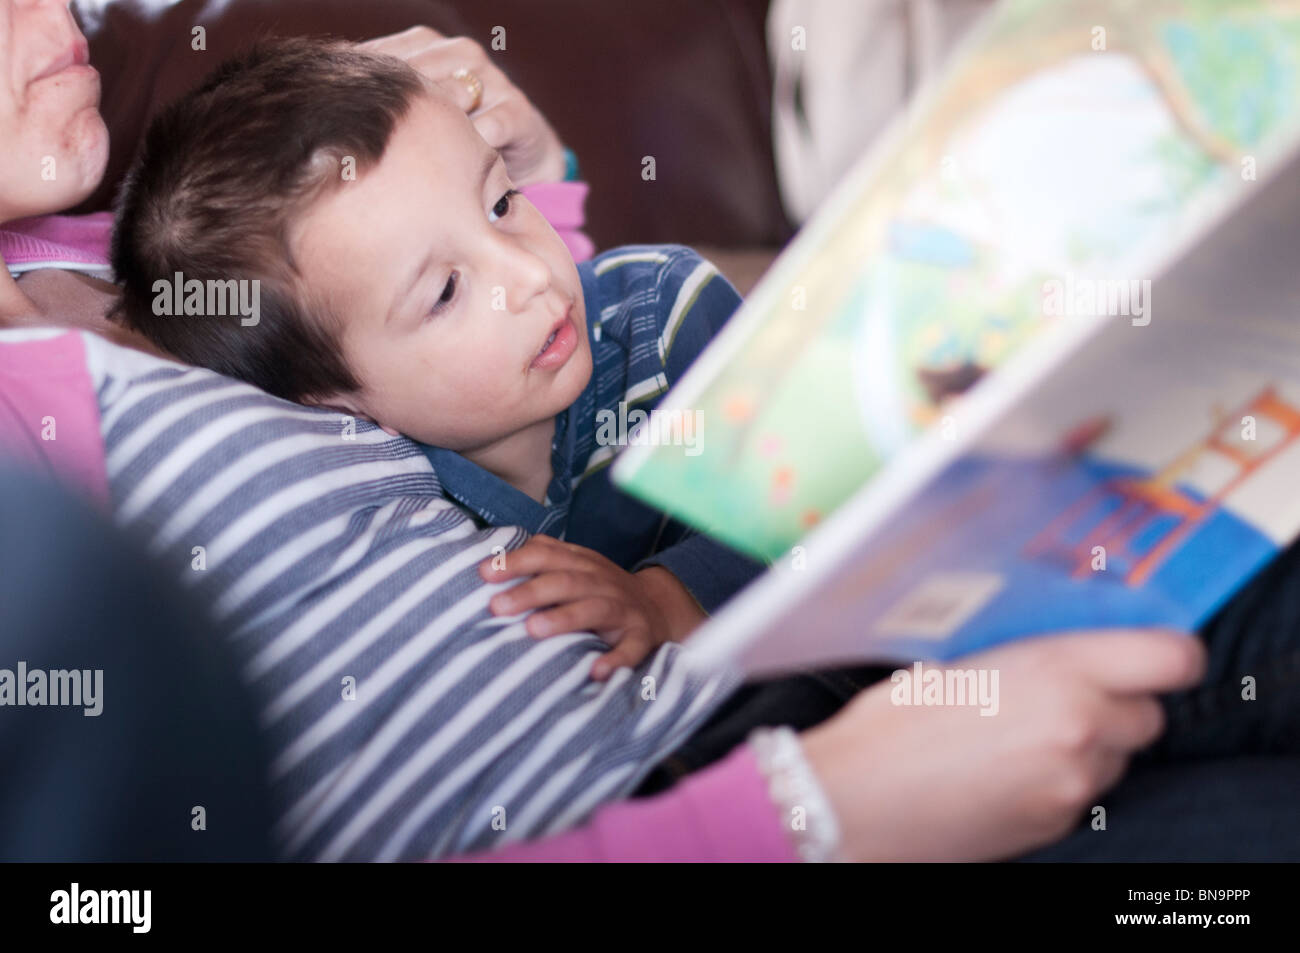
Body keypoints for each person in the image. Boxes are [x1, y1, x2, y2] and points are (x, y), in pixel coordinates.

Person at [0, 1, 1290, 863]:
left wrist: (519, 189)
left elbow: (600, 386)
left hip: (805, 677)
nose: (57, 12)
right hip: (753, 785)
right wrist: (819, 809)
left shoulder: (133, 232)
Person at [109, 38, 767, 682]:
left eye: (502, 203)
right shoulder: (401, 516)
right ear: (339, 404)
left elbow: (821, 493)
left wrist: (663, 599)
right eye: (447, 291)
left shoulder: (668, 316)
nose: (530, 271)